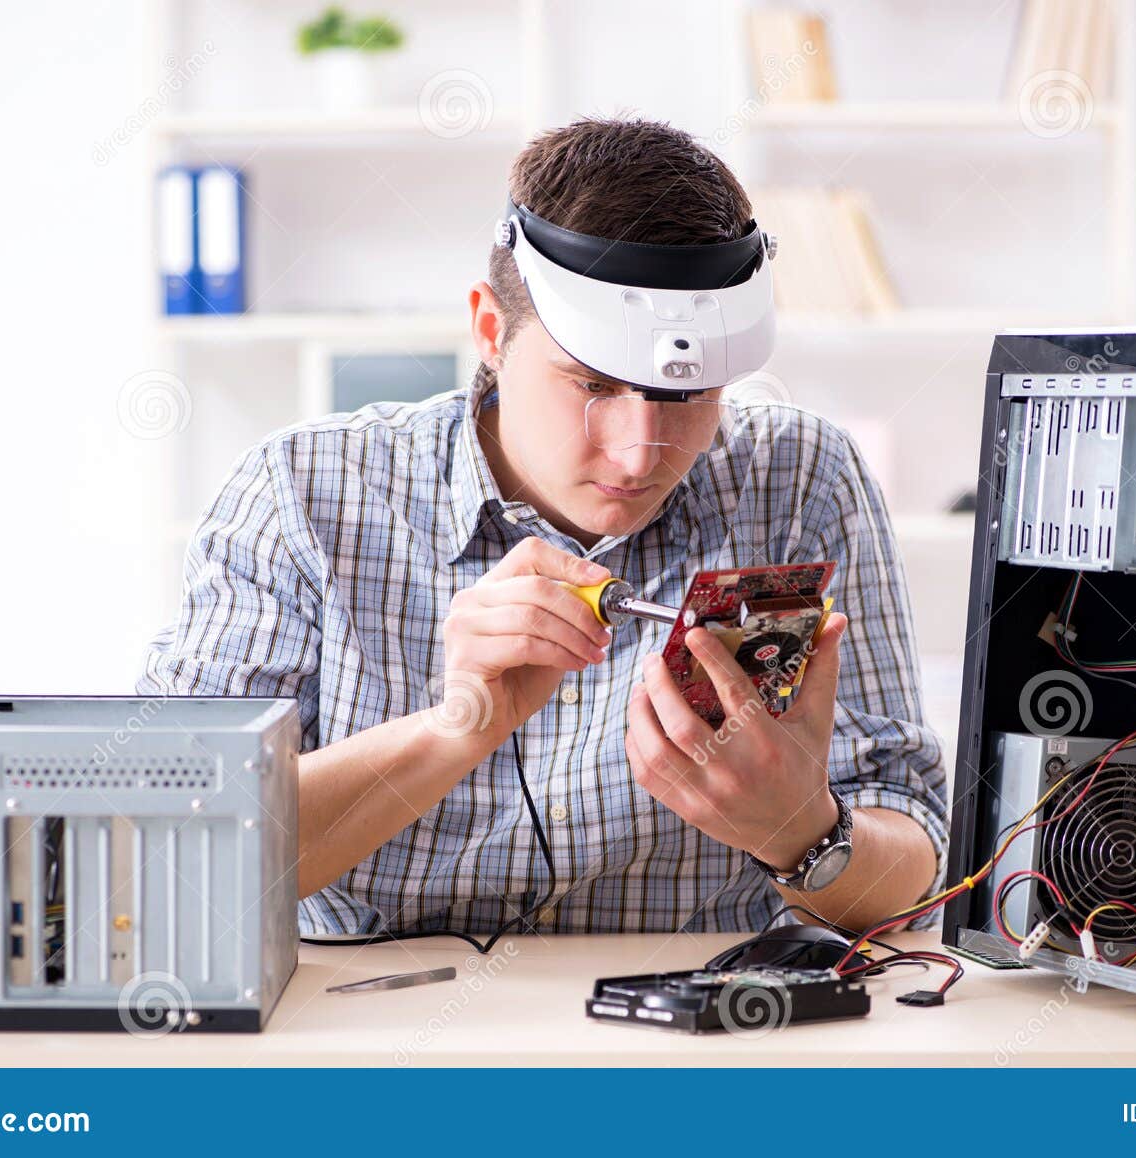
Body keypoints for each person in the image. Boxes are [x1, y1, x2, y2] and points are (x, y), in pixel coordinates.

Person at [137, 116, 948, 940]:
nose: (640, 454)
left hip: (702, 1037)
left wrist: (801, 832)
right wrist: (453, 731)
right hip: (371, 1036)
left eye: (688, 395)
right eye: (593, 386)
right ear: (491, 330)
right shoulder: (303, 495)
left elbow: (914, 863)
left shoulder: (799, 480)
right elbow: (166, 864)